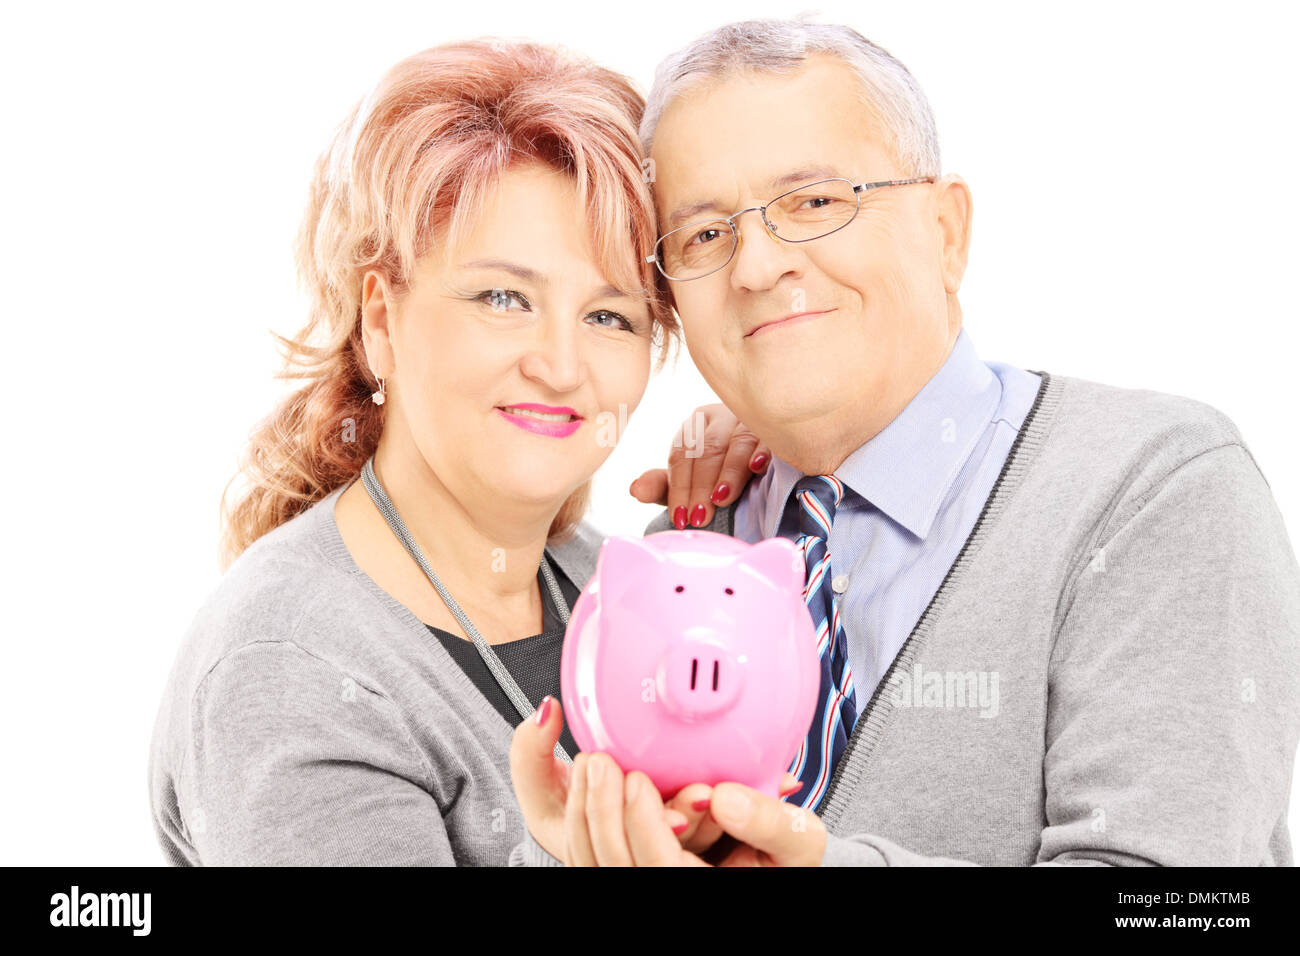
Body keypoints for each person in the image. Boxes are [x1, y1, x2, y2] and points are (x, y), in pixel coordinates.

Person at [510, 17, 1300, 866]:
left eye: (814, 202)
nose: (755, 267)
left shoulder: (1153, 490)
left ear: (945, 230)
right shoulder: (683, 555)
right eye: (704, 234)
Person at [146, 37, 780, 866]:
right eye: (503, 298)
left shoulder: (611, 585)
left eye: (609, 317)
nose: (560, 367)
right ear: (382, 321)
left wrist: (775, 450)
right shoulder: (288, 669)